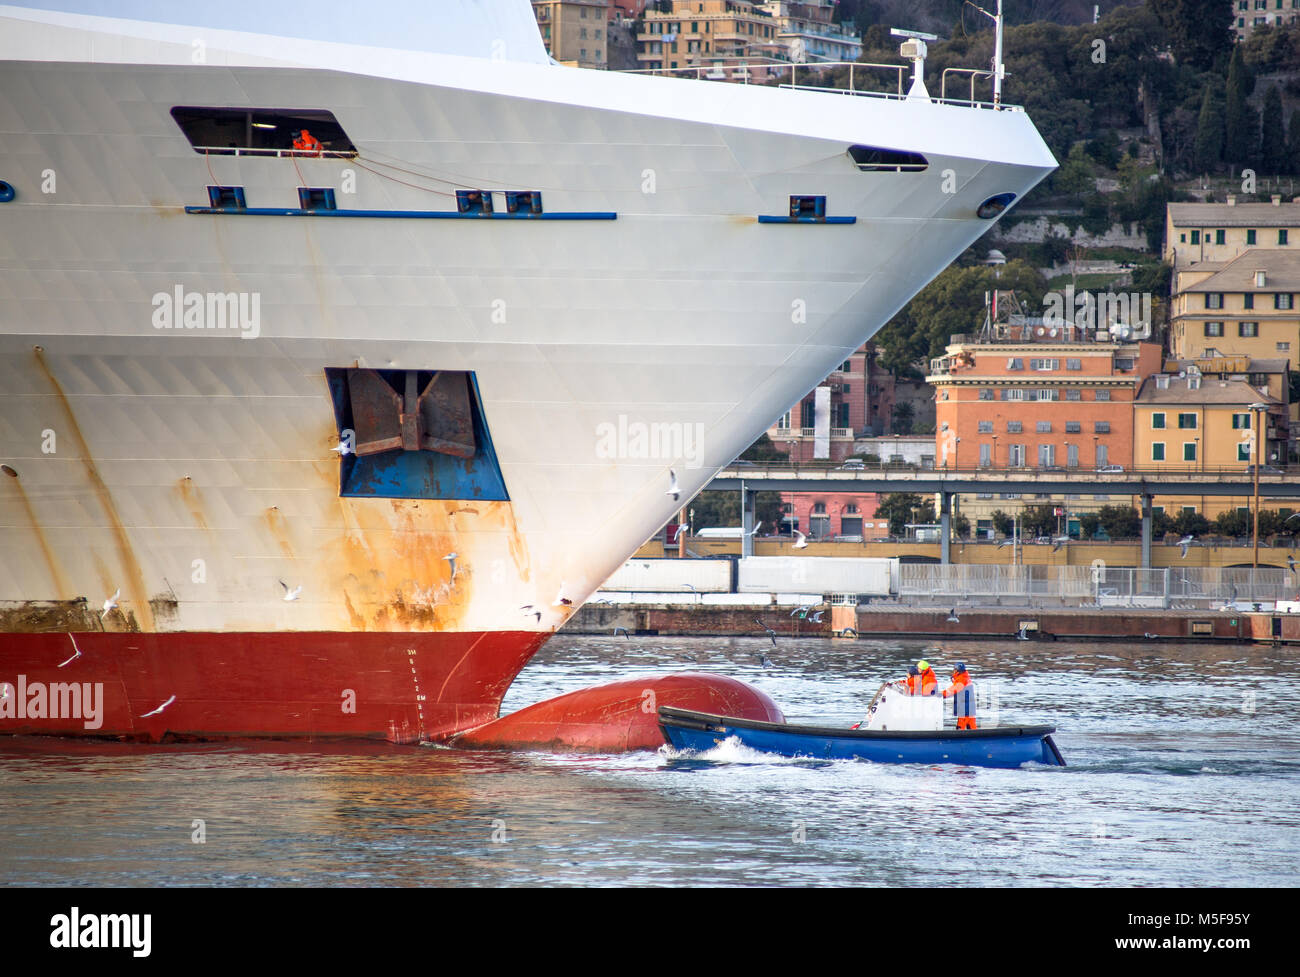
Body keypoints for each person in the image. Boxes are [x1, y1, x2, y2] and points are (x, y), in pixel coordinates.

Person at [942, 662, 977, 730]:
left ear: (956, 670)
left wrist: (941, 694)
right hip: (969, 708)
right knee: (972, 727)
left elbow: (953, 690)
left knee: (960, 727)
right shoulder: (965, 677)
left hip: (964, 709)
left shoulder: (961, 679)